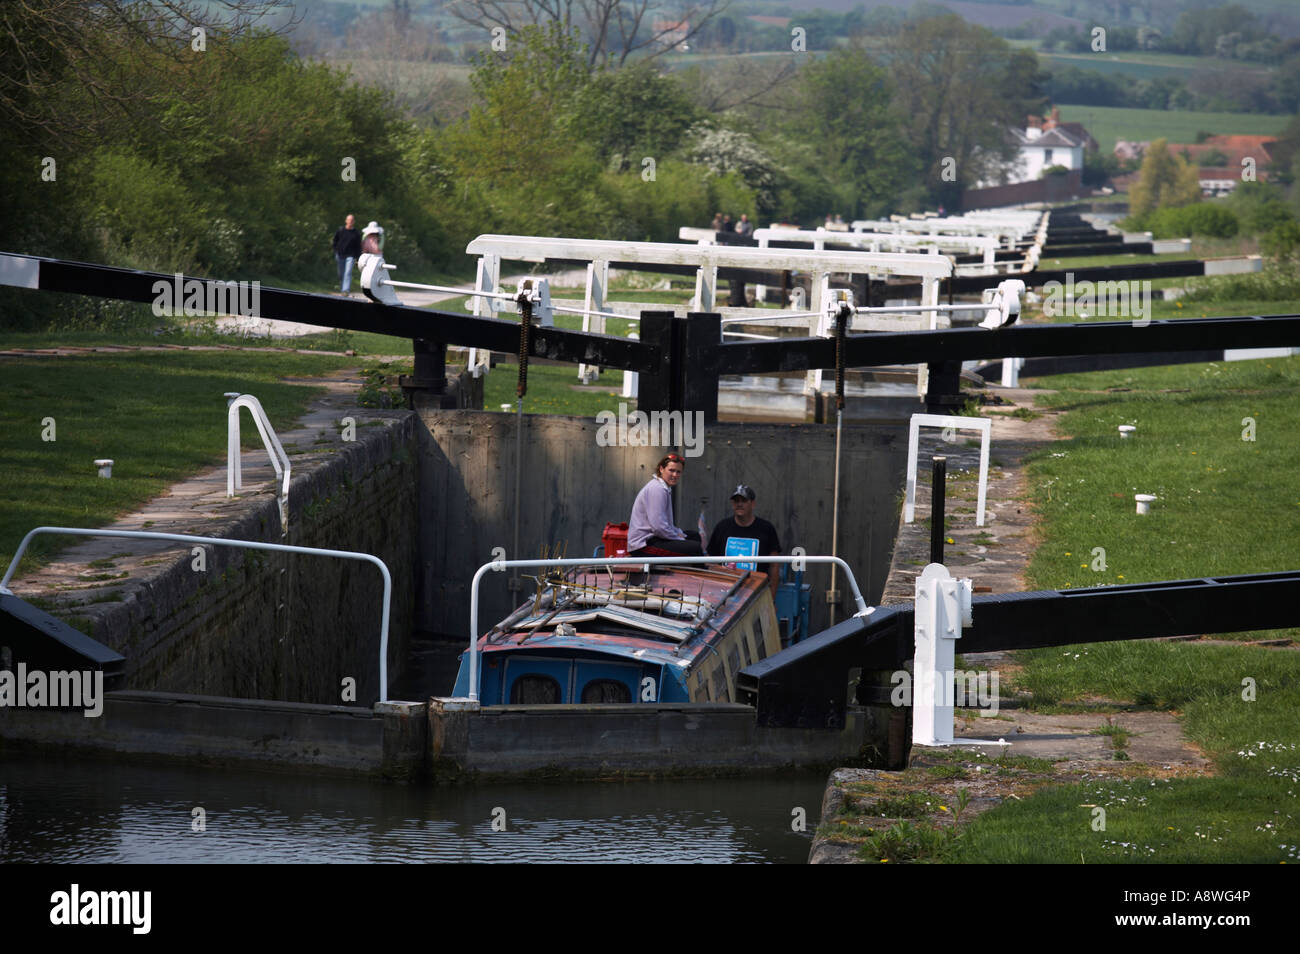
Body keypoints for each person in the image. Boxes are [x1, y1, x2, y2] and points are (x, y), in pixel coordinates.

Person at [707, 484, 782, 595]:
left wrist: (772, 598)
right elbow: (711, 561)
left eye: (744, 500)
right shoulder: (722, 527)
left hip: (756, 592)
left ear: (753, 504)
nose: (739, 504)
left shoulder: (766, 529)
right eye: (736, 501)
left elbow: (774, 565)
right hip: (725, 591)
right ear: (732, 504)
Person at [628, 453, 704, 557]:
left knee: (694, 536)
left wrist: (679, 534)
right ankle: (698, 572)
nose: (675, 475)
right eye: (671, 470)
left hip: (655, 539)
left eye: (678, 472)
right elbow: (659, 528)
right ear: (661, 469)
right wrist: (679, 537)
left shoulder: (663, 488)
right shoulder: (657, 489)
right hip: (644, 545)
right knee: (694, 548)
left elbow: (666, 526)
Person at [332, 214, 361, 294]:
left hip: (350, 256)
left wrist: (358, 258)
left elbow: (358, 246)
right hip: (340, 255)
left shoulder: (356, 233)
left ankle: (345, 290)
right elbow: (335, 241)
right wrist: (335, 251)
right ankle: (342, 288)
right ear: (346, 221)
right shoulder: (340, 230)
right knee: (341, 274)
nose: (350, 222)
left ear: (354, 222)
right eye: (349, 220)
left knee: (348, 273)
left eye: (352, 220)